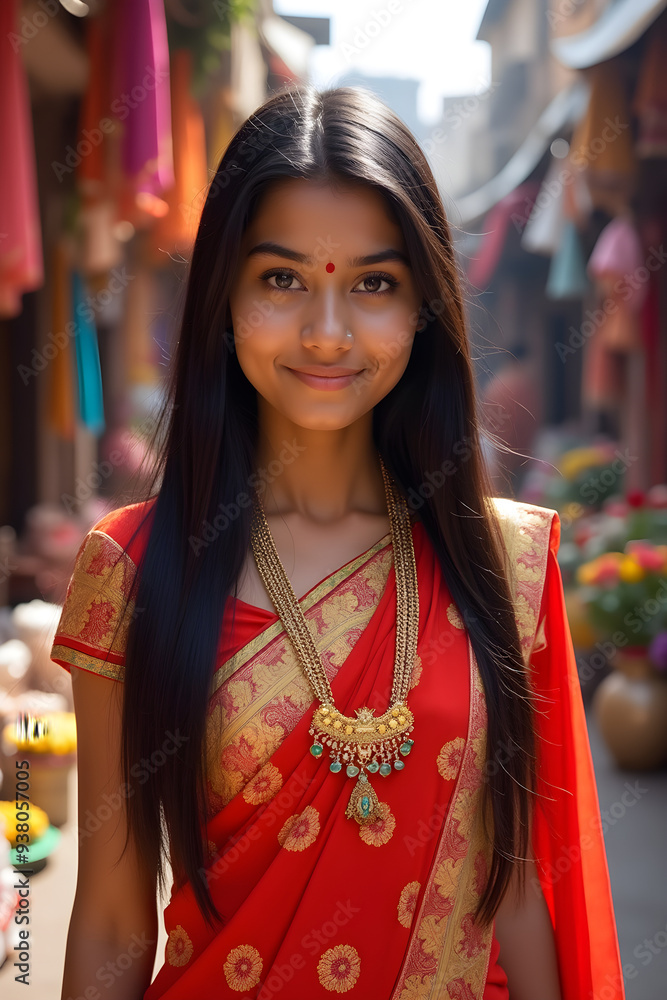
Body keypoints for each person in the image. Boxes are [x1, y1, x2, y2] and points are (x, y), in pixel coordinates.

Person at [51, 85, 624, 1000]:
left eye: (373, 284)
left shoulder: (503, 564)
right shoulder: (133, 571)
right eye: (282, 280)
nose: (327, 334)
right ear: (223, 298)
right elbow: (113, 920)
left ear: (424, 306)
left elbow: (516, 892)